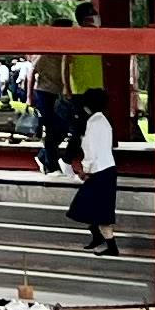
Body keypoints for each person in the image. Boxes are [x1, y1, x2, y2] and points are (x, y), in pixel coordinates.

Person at [66, 91, 124, 256]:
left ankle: (111, 246)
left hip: (100, 170)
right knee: (88, 206)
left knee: (98, 210)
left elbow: (91, 150)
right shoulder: (103, 121)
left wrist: (85, 170)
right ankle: (98, 236)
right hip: (106, 168)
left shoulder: (94, 123)